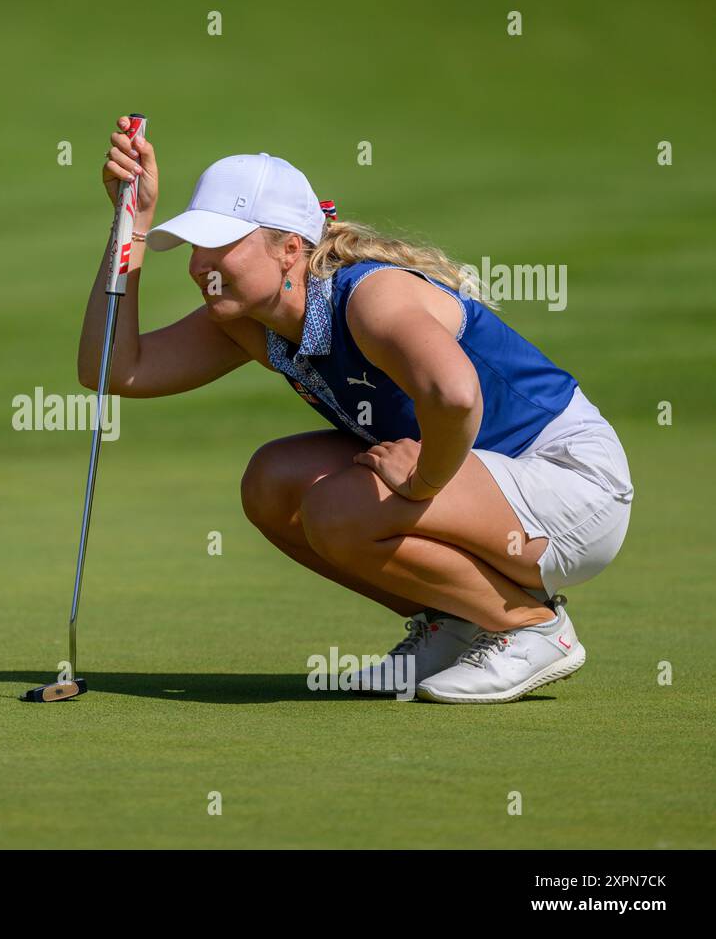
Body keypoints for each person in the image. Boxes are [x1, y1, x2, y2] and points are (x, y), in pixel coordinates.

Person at [79, 115, 634, 703]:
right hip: (484, 487)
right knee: (273, 483)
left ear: (290, 248)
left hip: (571, 487)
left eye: (222, 246)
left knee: (340, 507)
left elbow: (456, 394)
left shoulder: (371, 296)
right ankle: (455, 623)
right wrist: (129, 228)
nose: (199, 265)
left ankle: (532, 627)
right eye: (196, 245)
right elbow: (113, 369)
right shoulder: (249, 321)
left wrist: (423, 481)